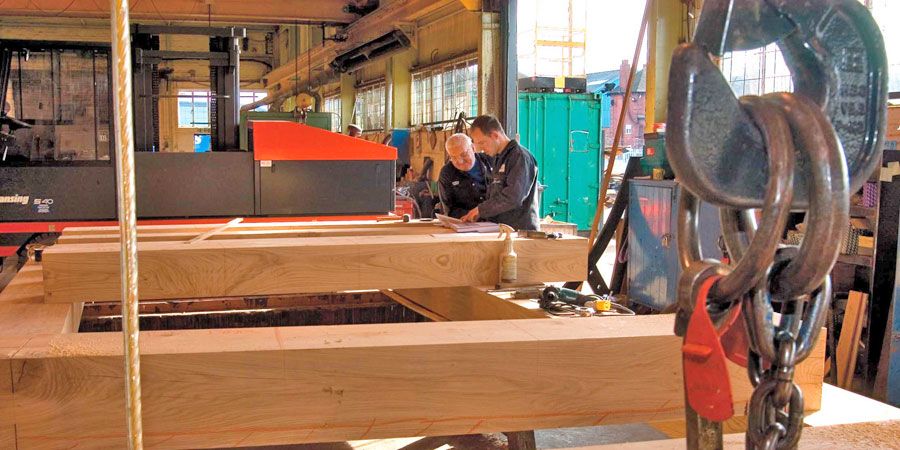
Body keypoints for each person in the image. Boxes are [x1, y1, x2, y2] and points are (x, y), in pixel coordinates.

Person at [461, 114, 539, 231]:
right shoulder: (498, 158)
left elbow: (513, 197)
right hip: (501, 230)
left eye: (482, 143)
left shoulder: (519, 157)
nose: (480, 149)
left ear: (495, 135)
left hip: (519, 233)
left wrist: (481, 210)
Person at [438, 133, 492, 218]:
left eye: (464, 154)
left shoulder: (491, 162)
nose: (459, 161)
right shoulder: (447, 173)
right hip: (466, 223)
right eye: (453, 157)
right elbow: (449, 209)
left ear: (473, 148)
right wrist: (473, 216)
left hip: (497, 221)